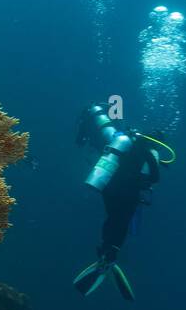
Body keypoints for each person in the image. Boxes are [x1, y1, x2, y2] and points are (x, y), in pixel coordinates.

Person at [73, 103, 174, 299]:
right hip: (128, 193)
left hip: (109, 185)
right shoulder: (150, 152)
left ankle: (106, 252)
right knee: (119, 223)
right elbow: (154, 178)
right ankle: (108, 254)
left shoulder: (127, 140)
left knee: (113, 218)